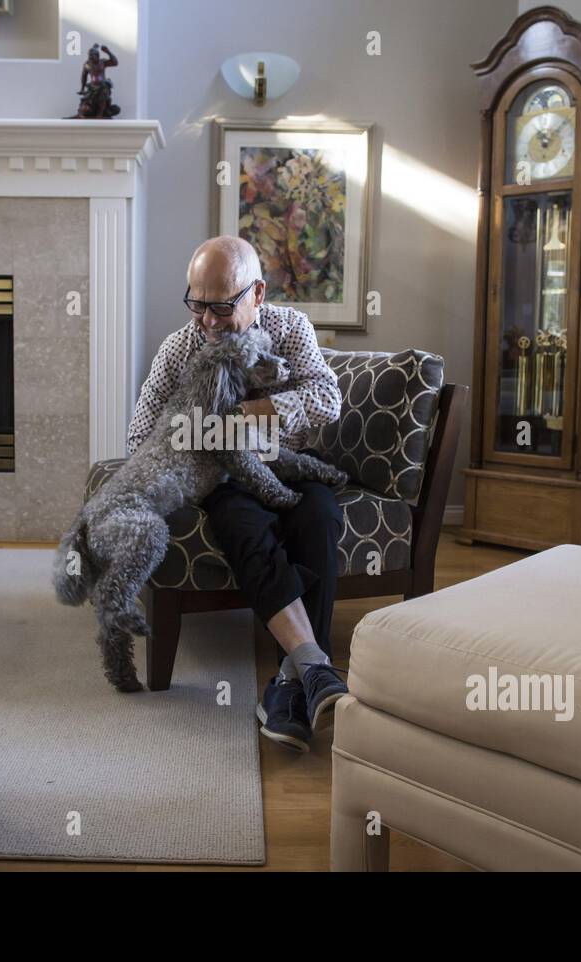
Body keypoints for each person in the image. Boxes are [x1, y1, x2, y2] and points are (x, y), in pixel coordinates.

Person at [128, 236, 347, 752]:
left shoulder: (291, 329)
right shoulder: (179, 348)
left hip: (292, 468)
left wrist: (242, 418)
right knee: (241, 525)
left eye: (222, 306)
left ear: (258, 294)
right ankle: (316, 670)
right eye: (197, 303)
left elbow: (325, 397)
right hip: (224, 477)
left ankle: (289, 683)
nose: (207, 319)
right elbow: (140, 436)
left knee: (319, 515)